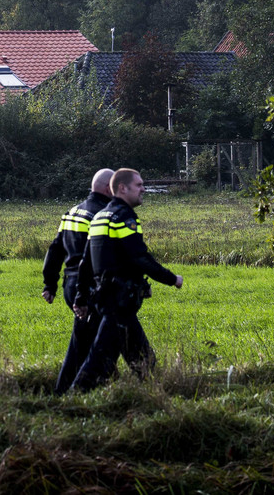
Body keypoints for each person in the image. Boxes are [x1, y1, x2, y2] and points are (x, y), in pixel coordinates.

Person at [70, 168, 183, 392]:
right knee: (100, 357)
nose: (144, 189)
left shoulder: (101, 216)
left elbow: (86, 263)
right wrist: (171, 279)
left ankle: (151, 395)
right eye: (139, 185)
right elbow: (140, 257)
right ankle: (75, 397)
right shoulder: (124, 217)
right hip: (119, 300)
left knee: (142, 357)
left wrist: (81, 297)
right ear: (122, 188)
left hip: (107, 298)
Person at [42, 168, 114, 394]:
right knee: (85, 345)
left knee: (90, 340)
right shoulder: (101, 214)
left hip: (69, 285)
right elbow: (102, 257)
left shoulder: (72, 212)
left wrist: (50, 284)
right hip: (89, 287)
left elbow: (55, 249)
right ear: (107, 188)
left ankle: (90, 387)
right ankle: (70, 392)